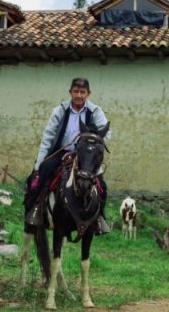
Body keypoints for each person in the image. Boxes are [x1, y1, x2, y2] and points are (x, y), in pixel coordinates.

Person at [25, 77, 111, 234]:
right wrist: (38, 164)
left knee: (101, 185)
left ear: (88, 94)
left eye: (82, 92)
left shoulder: (95, 111)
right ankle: (35, 208)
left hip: (85, 156)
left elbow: (107, 133)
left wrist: (91, 140)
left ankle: (99, 218)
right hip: (62, 151)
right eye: (76, 91)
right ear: (70, 92)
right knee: (44, 171)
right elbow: (48, 137)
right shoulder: (60, 110)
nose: (79, 95)